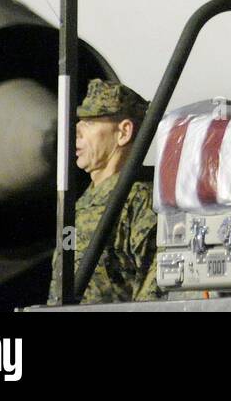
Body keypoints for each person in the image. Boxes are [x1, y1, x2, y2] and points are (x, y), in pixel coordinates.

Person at [48, 79, 157, 304]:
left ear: (123, 132)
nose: (77, 130)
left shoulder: (140, 200)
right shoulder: (82, 202)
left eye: (90, 122)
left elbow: (154, 292)